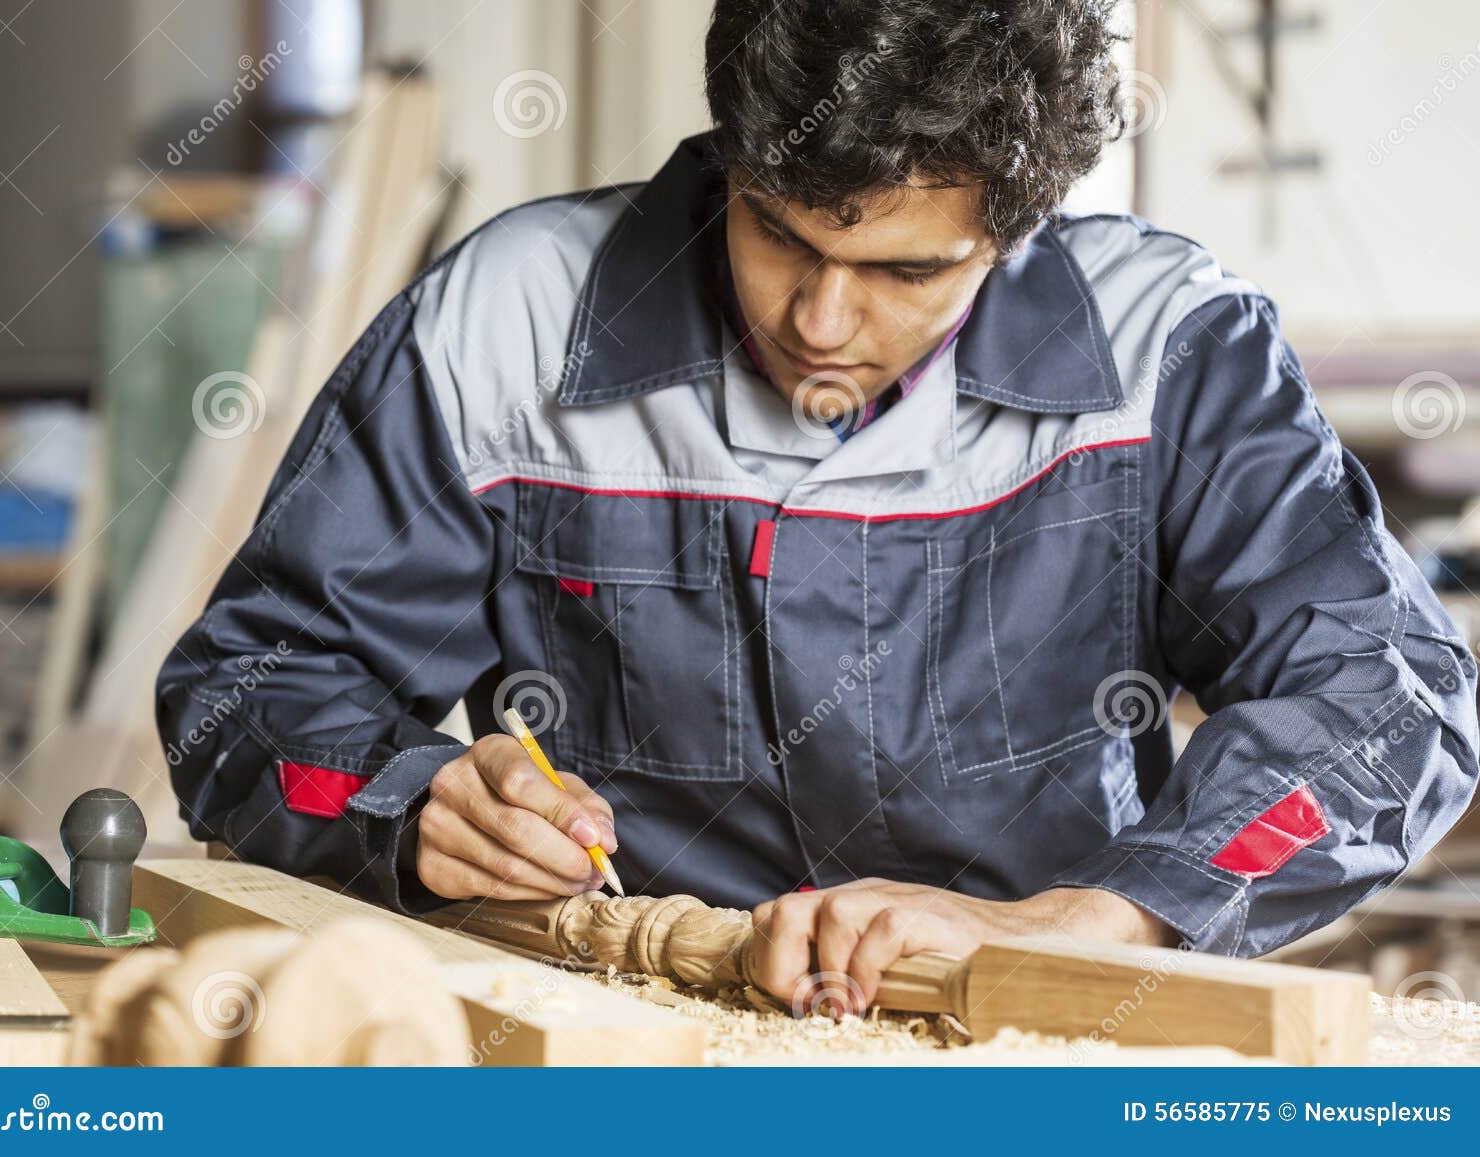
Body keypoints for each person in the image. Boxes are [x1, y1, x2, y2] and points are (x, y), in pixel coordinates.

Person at [159, 0, 1479, 1014]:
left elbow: (1389, 704)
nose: (821, 321)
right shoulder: (504, 323)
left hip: (1046, 1046)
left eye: (905, 269)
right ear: (727, 155)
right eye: (780, 231)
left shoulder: (1169, 351)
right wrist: (409, 794)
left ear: (1022, 225)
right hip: (633, 1043)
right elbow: (246, 693)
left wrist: (1098, 918)